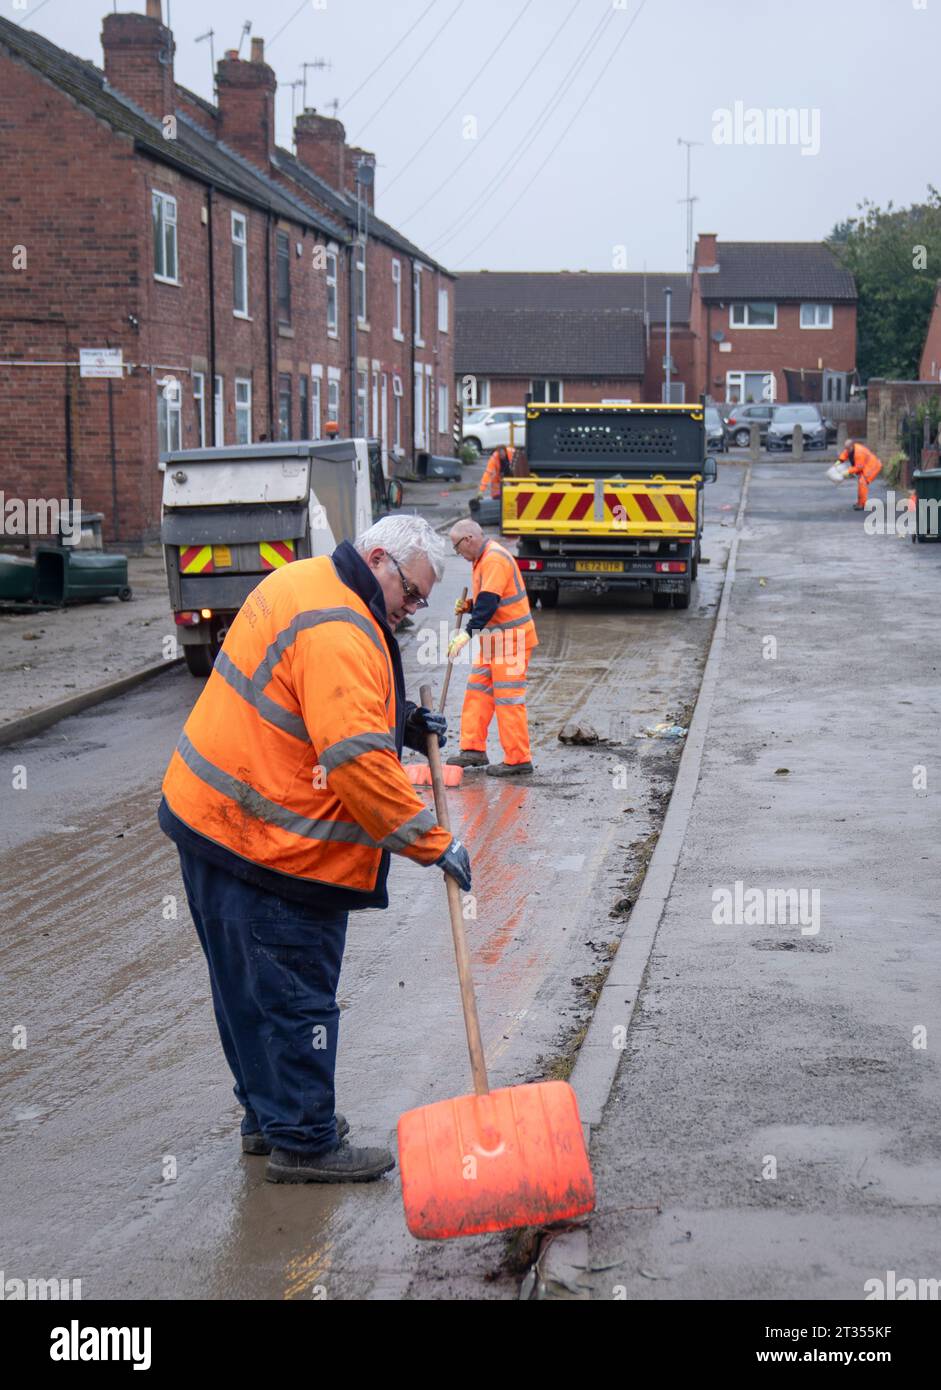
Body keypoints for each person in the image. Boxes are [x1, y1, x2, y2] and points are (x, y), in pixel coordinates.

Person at [157, 515, 472, 1184]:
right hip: (270, 846)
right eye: (411, 594)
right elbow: (355, 761)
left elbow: (318, 702)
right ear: (380, 559)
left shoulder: (308, 580)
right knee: (295, 996)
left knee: (245, 988)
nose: (413, 610)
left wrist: (404, 724)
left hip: (211, 819)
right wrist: (432, 842)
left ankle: (266, 1118)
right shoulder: (340, 627)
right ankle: (302, 1140)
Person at [445, 518, 537, 777]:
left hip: (511, 642)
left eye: (456, 547)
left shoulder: (494, 558)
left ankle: (518, 759)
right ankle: (473, 749)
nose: (458, 552)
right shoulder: (482, 558)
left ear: (469, 540)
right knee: (478, 693)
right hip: (495, 642)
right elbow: (491, 600)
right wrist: (470, 606)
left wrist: (466, 634)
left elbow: (489, 604)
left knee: (508, 701)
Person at [838, 439, 882, 510]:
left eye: (848, 449)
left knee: (862, 482)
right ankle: (860, 502)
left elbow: (858, 467)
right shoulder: (850, 448)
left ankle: (863, 504)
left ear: (852, 446)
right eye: (846, 448)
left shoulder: (859, 452)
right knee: (861, 483)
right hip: (866, 465)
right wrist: (838, 462)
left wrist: (846, 471)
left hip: (872, 466)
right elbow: (844, 454)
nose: (847, 450)